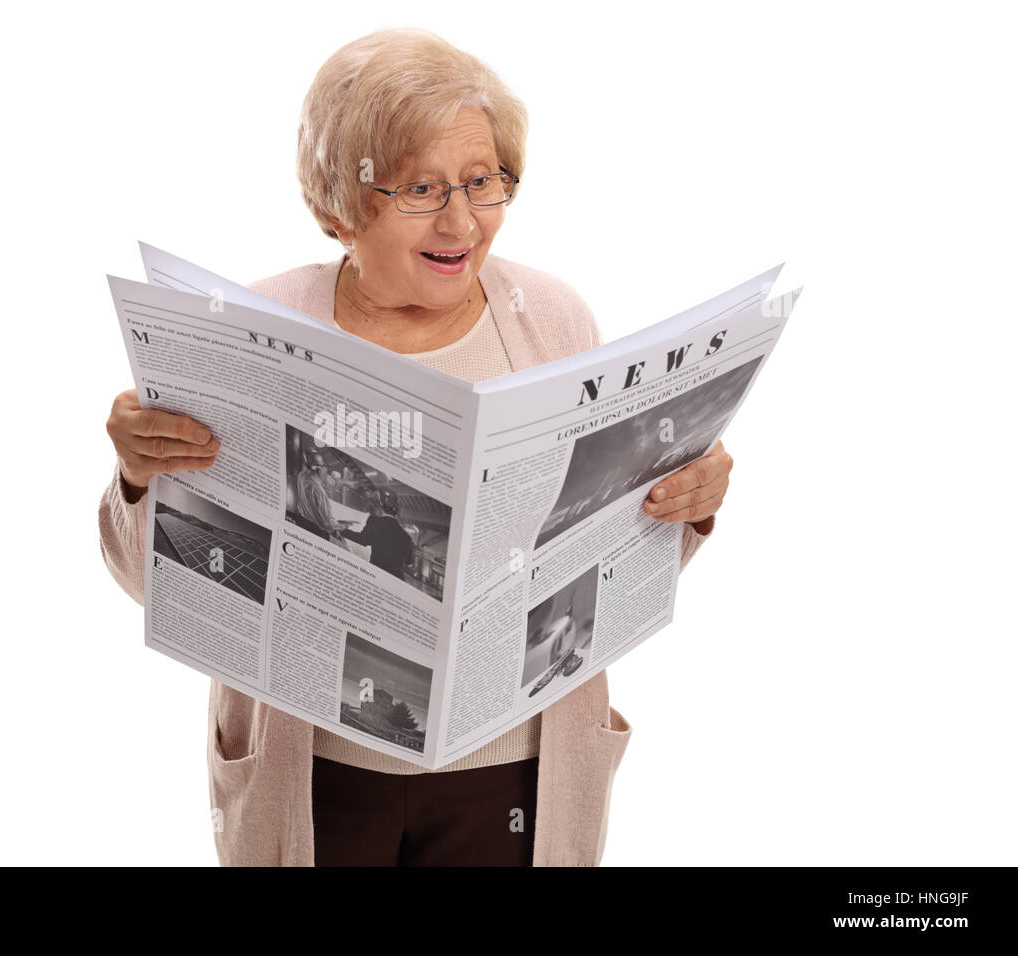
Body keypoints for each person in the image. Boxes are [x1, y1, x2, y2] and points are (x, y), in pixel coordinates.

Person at [99, 28, 731, 867]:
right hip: (321, 778)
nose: (463, 221)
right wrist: (138, 478)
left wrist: (681, 504)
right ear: (339, 208)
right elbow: (159, 583)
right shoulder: (251, 331)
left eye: (482, 181)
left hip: (512, 779)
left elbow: (598, 566)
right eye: (422, 189)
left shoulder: (554, 322)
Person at [340, 487, 413, 579]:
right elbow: (408, 563)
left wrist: (341, 529)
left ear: (380, 505)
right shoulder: (407, 538)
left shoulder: (375, 522)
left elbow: (362, 539)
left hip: (376, 576)